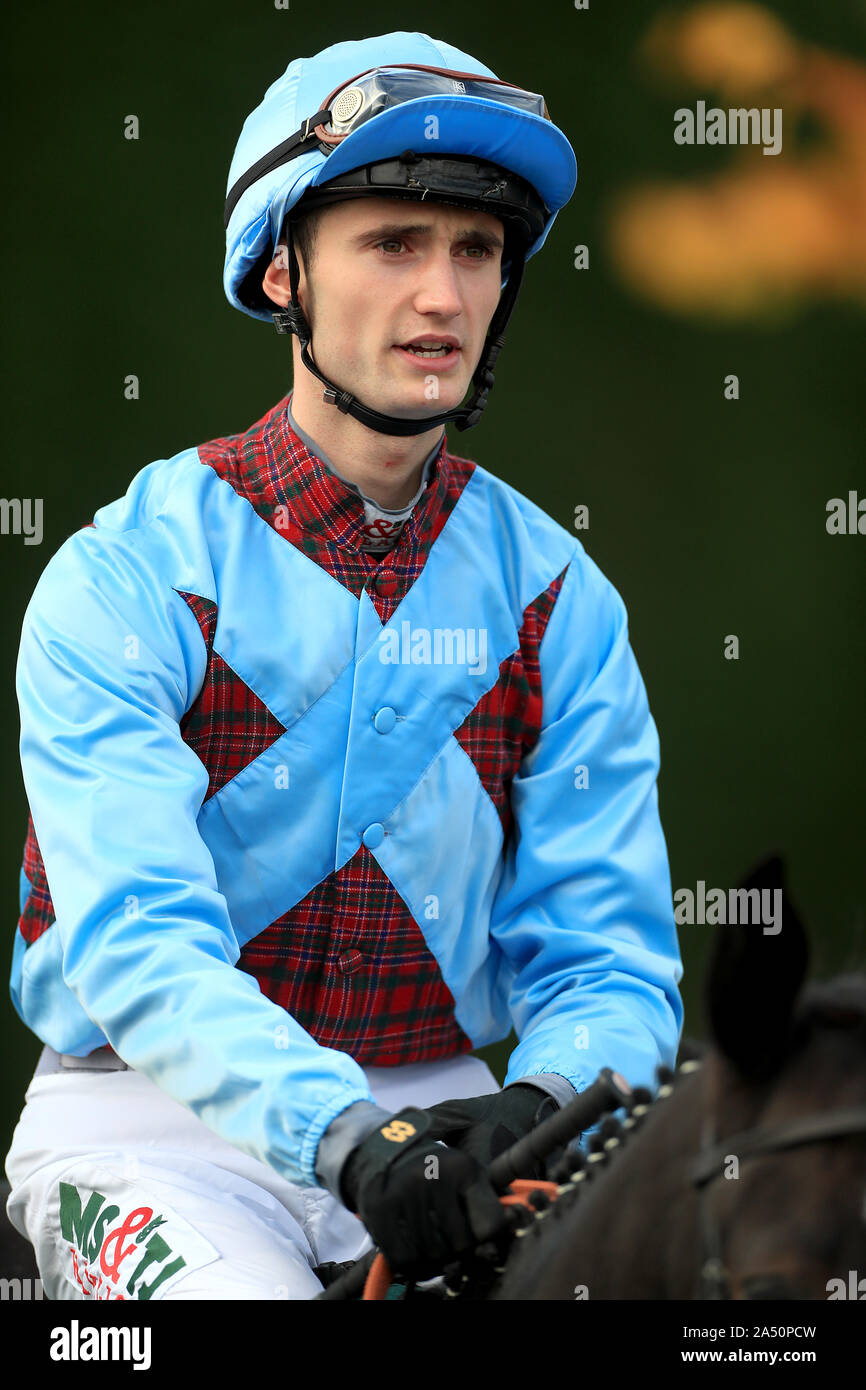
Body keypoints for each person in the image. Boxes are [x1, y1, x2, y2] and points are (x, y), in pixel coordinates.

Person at [4, 31, 684, 1300]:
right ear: (279, 273)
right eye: (393, 243)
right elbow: (142, 944)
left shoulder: (560, 597)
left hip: (461, 1126)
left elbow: (612, 963)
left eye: (474, 252)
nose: (442, 297)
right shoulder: (124, 578)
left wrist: (537, 1098)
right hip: (150, 1128)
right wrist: (350, 1139)